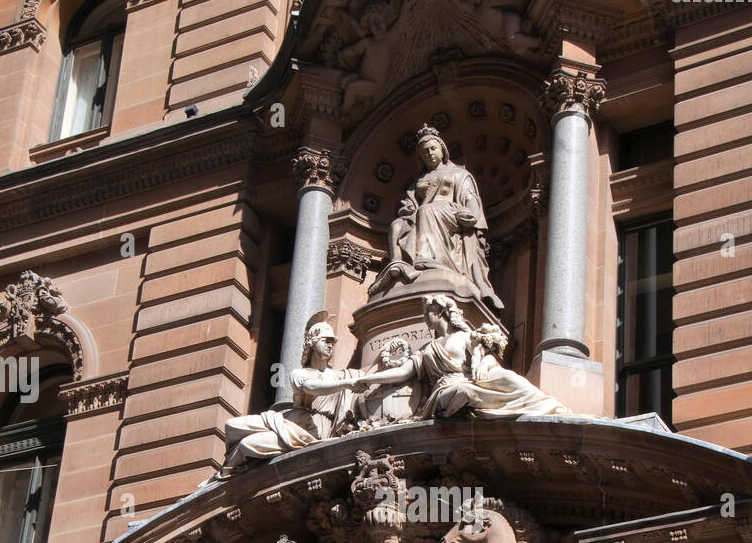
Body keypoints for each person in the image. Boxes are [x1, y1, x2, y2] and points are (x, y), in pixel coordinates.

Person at [208, 313, 369, 479]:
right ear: (312, 343)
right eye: (326, 340)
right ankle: (223, 475)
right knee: (232, 424)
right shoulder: (299, 374)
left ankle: (225, 475)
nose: (330, 345)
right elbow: (311, 387)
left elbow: (371, 374)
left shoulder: (342, 375)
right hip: (293, 421)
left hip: (313, 431)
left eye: (332, 342)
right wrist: (348, 385)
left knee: (247, 445)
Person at [365, 295, 571, 419]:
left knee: (508, 378)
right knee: (465, 391)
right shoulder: (428, 349)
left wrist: (485, 364)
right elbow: (402, 372)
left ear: (439, 310)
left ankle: (548, 407)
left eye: (426, 311)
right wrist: (363, 379)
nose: (424, 317)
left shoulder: (465, 336)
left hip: (472, 378)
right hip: (445, 389)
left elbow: (488, 357)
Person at [369, 127, 502, 310]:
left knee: (427, 211)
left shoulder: (459, 174)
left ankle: (428, 259)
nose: (429, 153)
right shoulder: (418, 181)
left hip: (451, 212)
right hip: (425, 214)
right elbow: (412, 205)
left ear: (442, 150)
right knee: (396, 225)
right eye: (424, 152)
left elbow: (471, 200)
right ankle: (398, 262)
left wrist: (470, 213)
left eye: (433, 148)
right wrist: (407, 209)